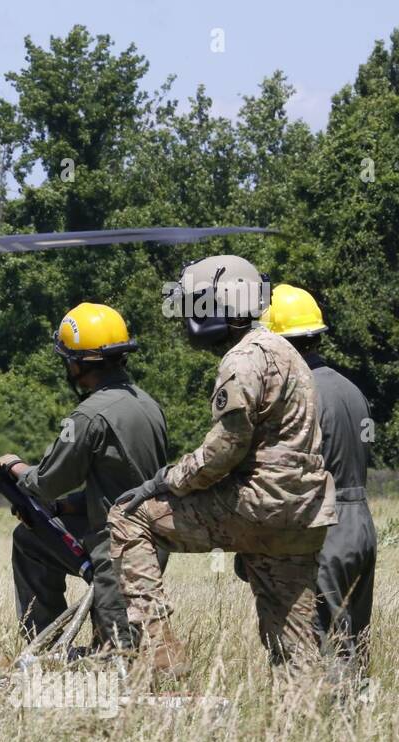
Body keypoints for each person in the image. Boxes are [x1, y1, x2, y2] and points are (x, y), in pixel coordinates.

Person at [108, 256, 337, 682]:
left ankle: (159, 656)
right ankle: (301, 724)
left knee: (129, 517)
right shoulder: (287, 351)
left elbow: (224, 450)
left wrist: (167, 479)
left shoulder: (243, 359)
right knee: (295, 639)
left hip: (256, 507)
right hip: (303, 515)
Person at [0, 302, 171, 668]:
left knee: (120, 659)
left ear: (77, 364)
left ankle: (51, 652)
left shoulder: (88, 415)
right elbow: (125, 483)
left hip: (117, 546)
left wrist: (15, 466)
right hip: (153, 536)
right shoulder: (149, 405)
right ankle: (50, 649)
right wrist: (64, 510)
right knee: (30, 539)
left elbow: (45, 483)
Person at [260, 284, 375, 685]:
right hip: (361, 524)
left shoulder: (299, 395)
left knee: (312, 646)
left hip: (321, 525)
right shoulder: (352, 390)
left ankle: (317, 734)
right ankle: (355, 726)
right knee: (352, 646)